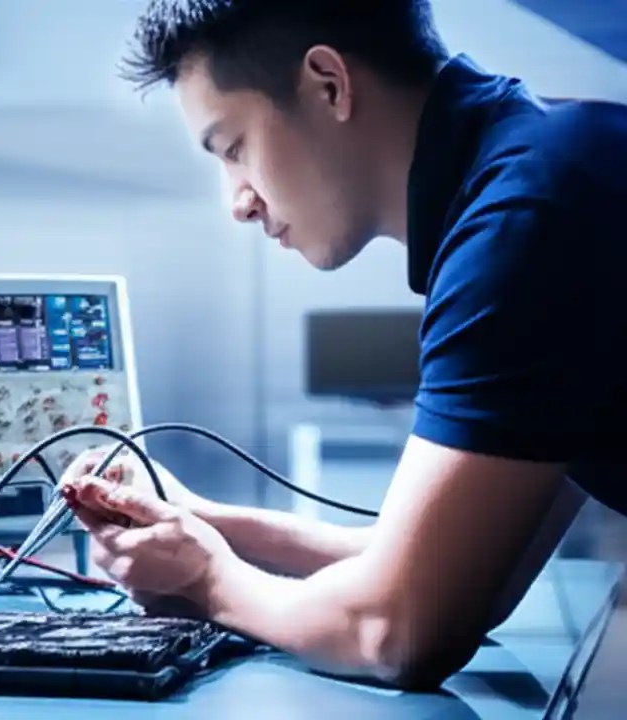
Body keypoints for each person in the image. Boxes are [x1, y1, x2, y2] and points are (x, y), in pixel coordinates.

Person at [58, 0, 627, 690]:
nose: (235, 201)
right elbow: (453, 572)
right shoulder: (551, 164)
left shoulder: (523, 222)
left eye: (233, 147)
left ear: (328, 84)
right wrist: (205, 524)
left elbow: (399, 629)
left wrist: (206, 577)